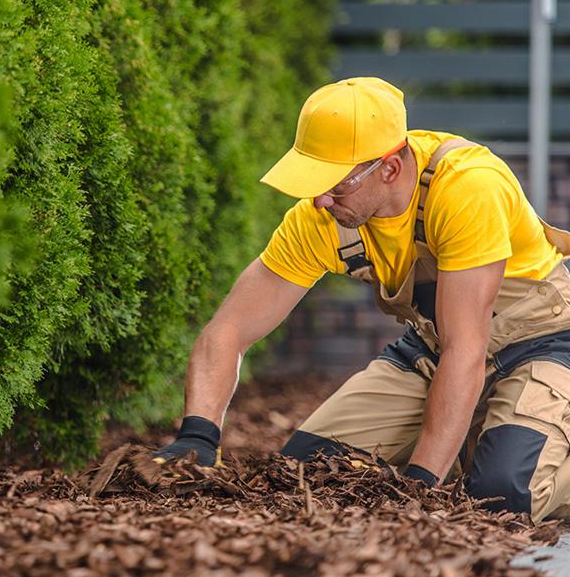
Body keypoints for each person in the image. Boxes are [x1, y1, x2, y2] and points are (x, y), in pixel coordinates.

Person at [154, 77, 570, 523]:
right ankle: (492, 441)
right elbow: (229, 329)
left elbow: (465, 350)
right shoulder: (323, 217)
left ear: (389, 168)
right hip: (434, 351)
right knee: (308, 475)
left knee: (503, 495)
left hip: (540, 345)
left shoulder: (468, 187)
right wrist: (199, 435)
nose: (319, 199)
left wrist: (420, 489)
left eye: (334, 183)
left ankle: (508, 447)